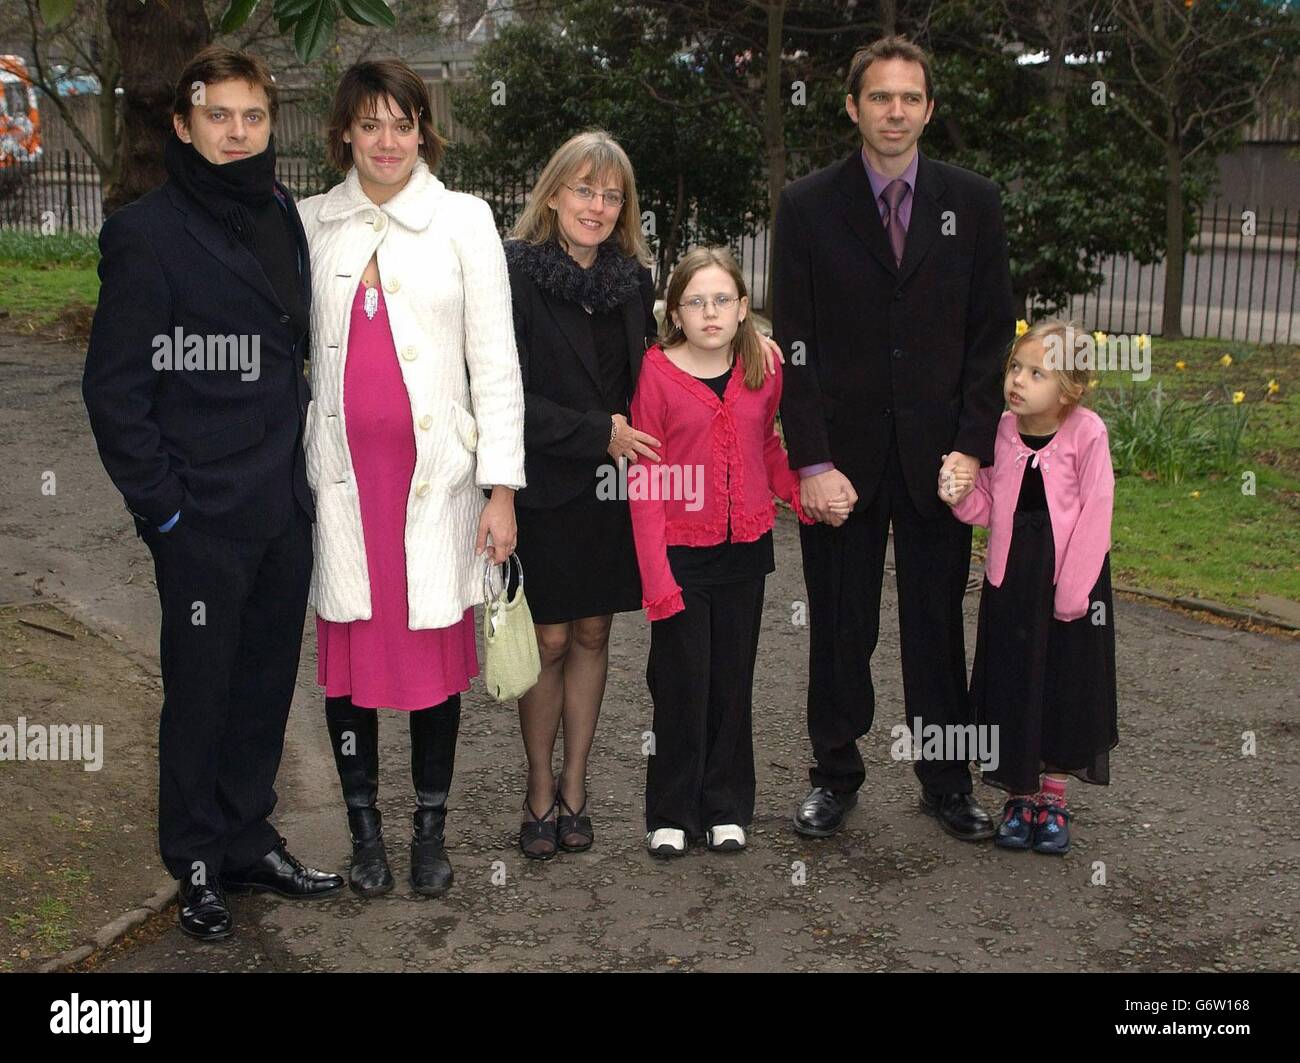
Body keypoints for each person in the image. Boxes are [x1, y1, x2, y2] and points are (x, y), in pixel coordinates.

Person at [83, 46, 342, 942]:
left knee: (266, 681)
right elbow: (115, 391)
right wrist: (165, 512)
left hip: (283, 505)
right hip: (200, 517)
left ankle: (245, 837)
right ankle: (194, 860)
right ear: (184, 125)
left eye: (253, 117)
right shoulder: (145, 233)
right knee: (201, 690)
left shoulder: (281, 213)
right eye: (219, 117)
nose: (238, 134)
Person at [505, 133, 784, 859]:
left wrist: (757, 342)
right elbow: (504, 394)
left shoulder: (631, 280)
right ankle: (538, 793)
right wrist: (598, 431)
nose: (596, 206)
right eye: (583, 190)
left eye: (611, 194)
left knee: (594, 635)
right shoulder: (515, 275)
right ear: (555, 192)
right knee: (551, 638)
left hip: (613, 491)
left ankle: (576, 791)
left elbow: (670, 364)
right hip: (545, 484)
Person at [772, 35, 1016, 842]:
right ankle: (833, 774)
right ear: (853, 106)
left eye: (910, 97)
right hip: (840, 464)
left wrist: (973, 447)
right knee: (841, 624)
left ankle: (946, 781)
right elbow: (794, 344)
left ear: (929, 108)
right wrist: (809, 461)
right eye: (880, 97)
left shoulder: (973, 204)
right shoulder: (807, 207)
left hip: (939, 463)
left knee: (938, 626)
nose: (896, 111)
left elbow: (989, 340)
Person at [298, 59, 525, 897]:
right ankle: (365, 832)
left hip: (437, 489)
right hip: (345, 491)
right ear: (345, 134)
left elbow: (495, 362)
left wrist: (501, 488)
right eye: (370, 124)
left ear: (424, 129)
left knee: (432, 663)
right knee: (350, 667)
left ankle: (431, 828)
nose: (386, 141)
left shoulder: (465, 220)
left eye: (402, 123)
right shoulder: (312, 222)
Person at [629, 247, 816, 857]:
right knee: (681, 684)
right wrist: (656, 578)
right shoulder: (655, 374)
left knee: (732, 684)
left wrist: (802, 493)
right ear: (676, 312)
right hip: (681, 556)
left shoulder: (762, 367)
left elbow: (765, 449)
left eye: (723, 300)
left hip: (746, 553)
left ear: (742, 309)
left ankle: (727, 806)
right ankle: (671, 813)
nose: (711, 312)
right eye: (696, 302)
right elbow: (645, 481)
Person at [943, 320, 1118, 856]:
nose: (1018, 381)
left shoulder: (1087, 433)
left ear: (1070, 388)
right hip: (1013, 581)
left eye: (1036, 373)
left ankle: (1054, 798)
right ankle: (1019, 796)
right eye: (1015, 368)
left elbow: (1096, 513)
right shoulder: (1001, 431)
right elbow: (991, 507)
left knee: (1063, 683)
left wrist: (1074, 592)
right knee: (1014, 680)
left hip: (1070, 585)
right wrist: (958, 494)